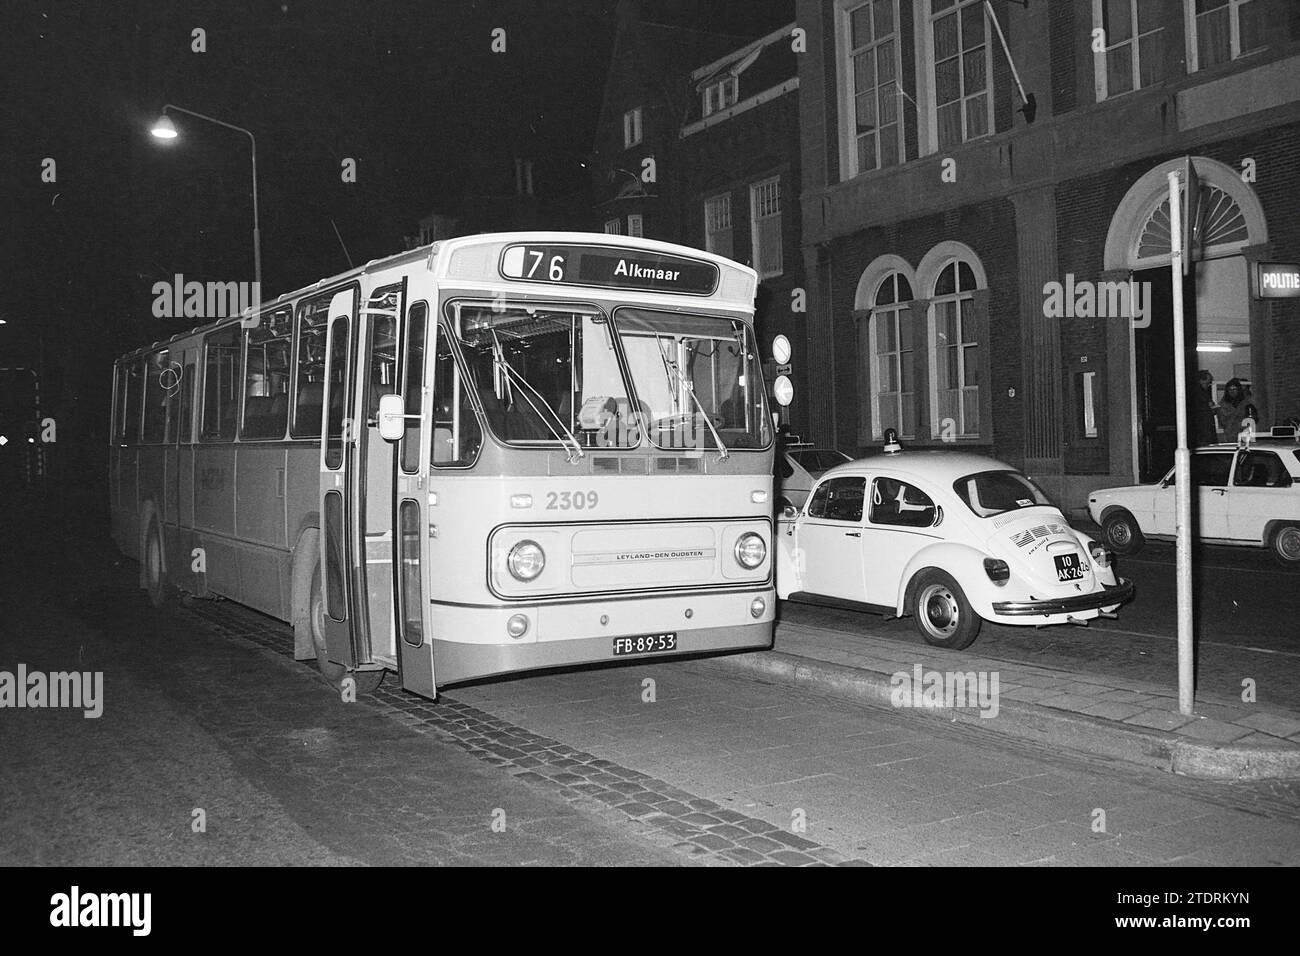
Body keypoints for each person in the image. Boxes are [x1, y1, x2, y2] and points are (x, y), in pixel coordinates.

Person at [1193, 370, 1217, 447]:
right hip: (1203, 430)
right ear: (1201, 380)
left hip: (1204, 429)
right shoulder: (1198, 394)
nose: (1208, 385)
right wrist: (1210, 408)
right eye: (1207, 382)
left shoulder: (1203, 393)